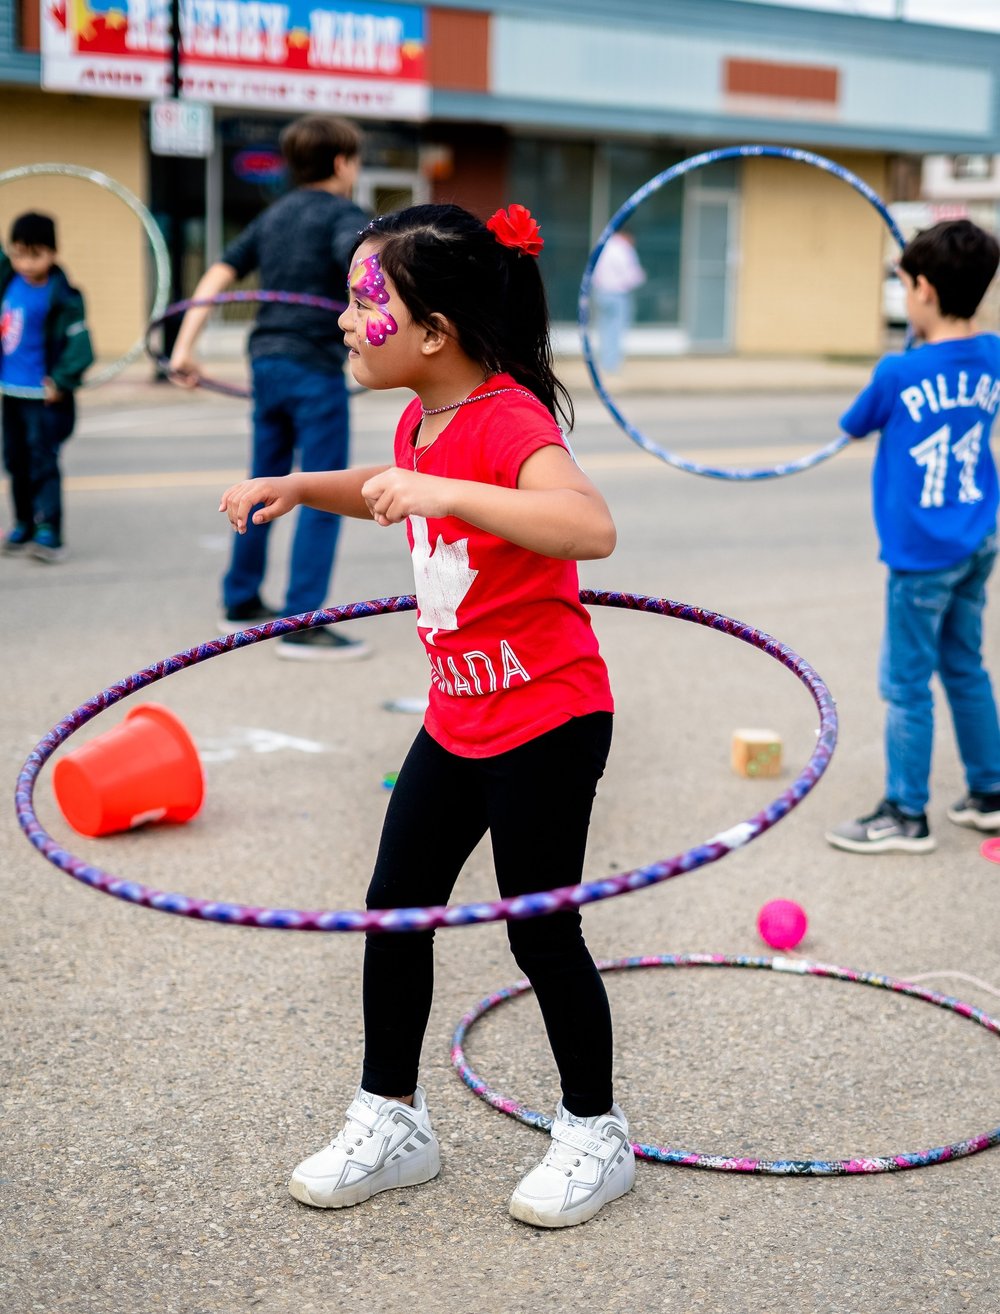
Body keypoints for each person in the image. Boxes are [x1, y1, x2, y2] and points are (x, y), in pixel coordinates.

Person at [218, 202, 634, 1228]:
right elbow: (387, 488)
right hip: (457, 716)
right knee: (395, 905)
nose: (348, 321)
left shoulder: (506, 418)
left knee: (540, 931)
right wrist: (298, 485)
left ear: (435, 333)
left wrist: (447, 495)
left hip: (546, 717)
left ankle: (595, 1130)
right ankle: (392, 1116)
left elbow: (589, 524)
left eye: (369, 302)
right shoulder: (421, 418)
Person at [826, 219, 1000, 855]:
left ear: (923, 289)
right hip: (978, 539)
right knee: (964, 665)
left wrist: (904, 356)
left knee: (905, 683)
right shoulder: (994, 354)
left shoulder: (897, 373)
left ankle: (905, 812)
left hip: (923, 555)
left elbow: (852, 424)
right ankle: (989, 793)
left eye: (903, 286)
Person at [170, 114, 370, 661]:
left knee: (265, 483)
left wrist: (184, 347)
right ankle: (303, 621)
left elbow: (216, 277)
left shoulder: (274, 216)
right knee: (321, 490)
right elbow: (366, 272)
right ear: (341, 163)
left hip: (266, 362)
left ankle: (240, 600)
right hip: (311, 363)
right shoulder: (343, 215)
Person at [1, 211, 94, 563]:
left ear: (53, 253)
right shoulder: (6, 278)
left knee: (43, 460)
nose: (25, 262)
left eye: (35, 254)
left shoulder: (65, 296)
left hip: (42, 396)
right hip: (10, 391)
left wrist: (62, 380)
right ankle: (23, 522)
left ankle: (49, 529)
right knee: (14, 460)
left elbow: (81, 347)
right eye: (18, 253)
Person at [590, 228, 645, 375]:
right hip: (618, 294)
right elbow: (632, 274)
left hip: (601, 292)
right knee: (616, 329)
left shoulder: (604, 246)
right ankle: (612, 365)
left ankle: (603, 361)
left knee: (604, 328)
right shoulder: (624, 249)